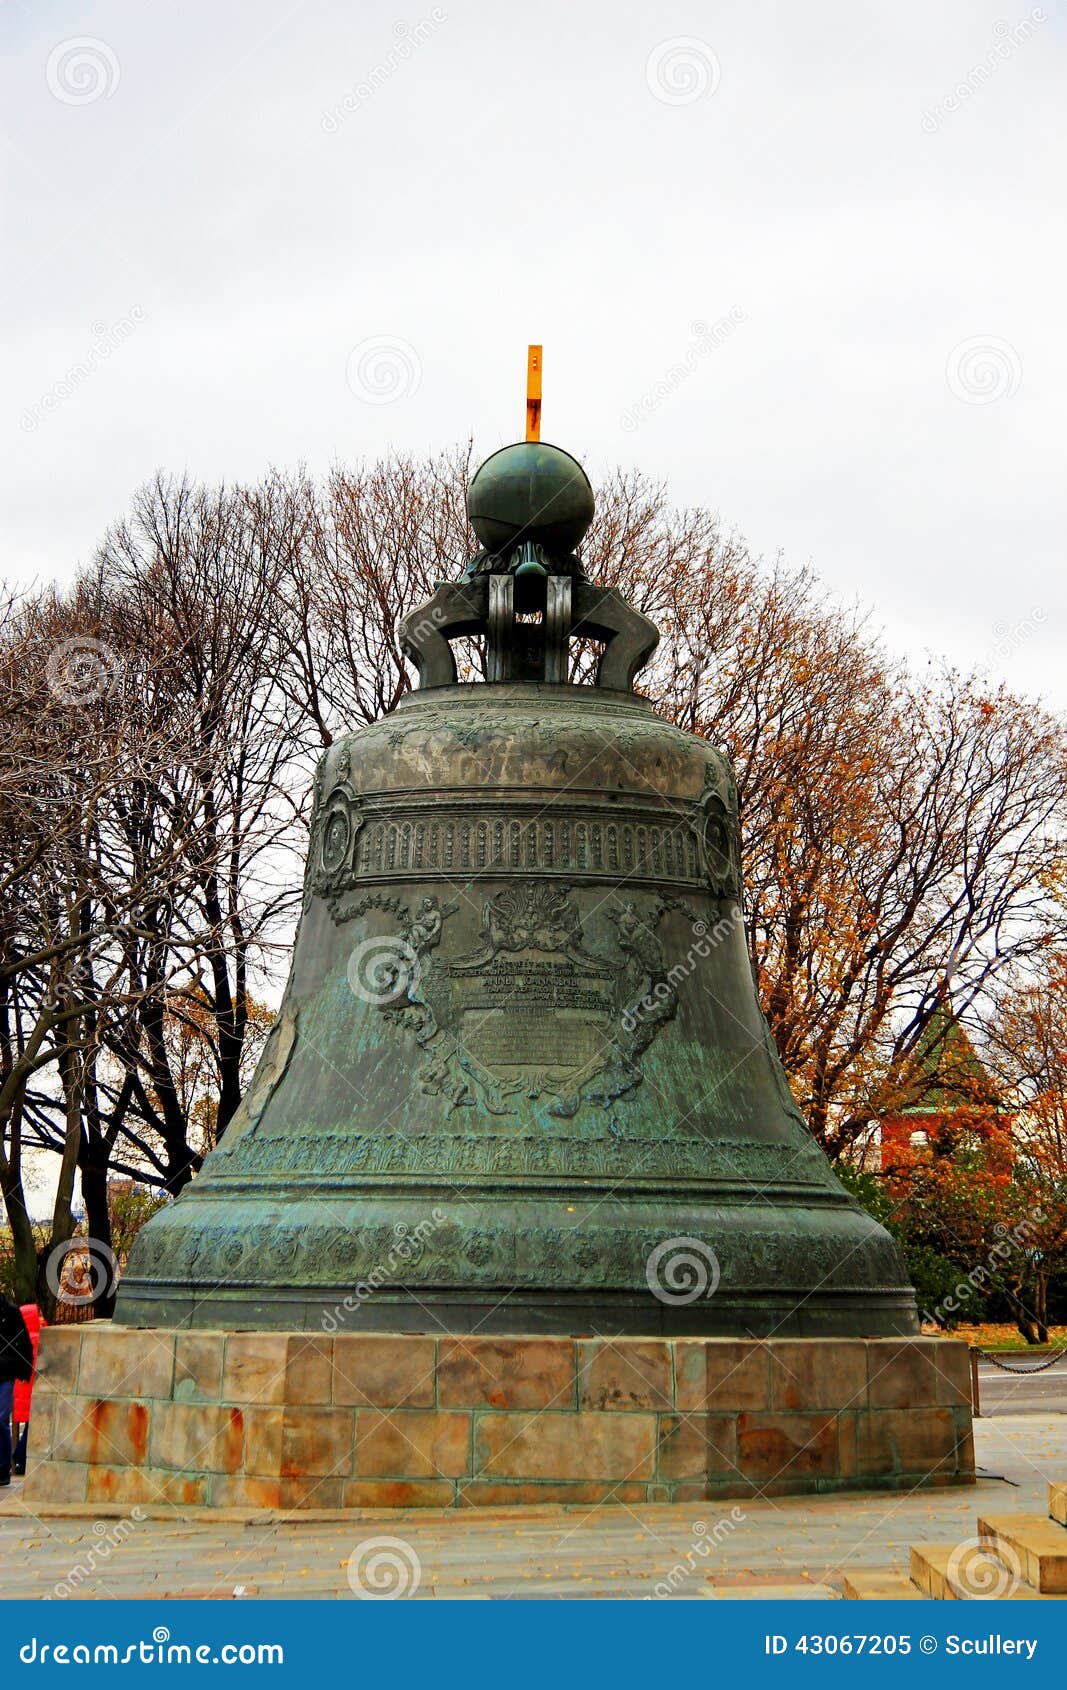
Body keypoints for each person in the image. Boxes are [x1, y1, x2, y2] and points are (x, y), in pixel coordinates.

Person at [0, 1296, 34, 1486]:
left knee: (1, 1418)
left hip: (5, 1373)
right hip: (7, 1369)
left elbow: (23, 1342)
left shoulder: (10, 1312)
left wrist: (22, 1369)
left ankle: (3, 1467)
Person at [12, 1301, 45, 1476]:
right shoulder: (40, 1339)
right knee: (32, 1426)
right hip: (35, 1391)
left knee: (24, 1426)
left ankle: (18, 1459)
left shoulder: (18, 1340)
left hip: (20, 1392)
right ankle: (22, 1459)